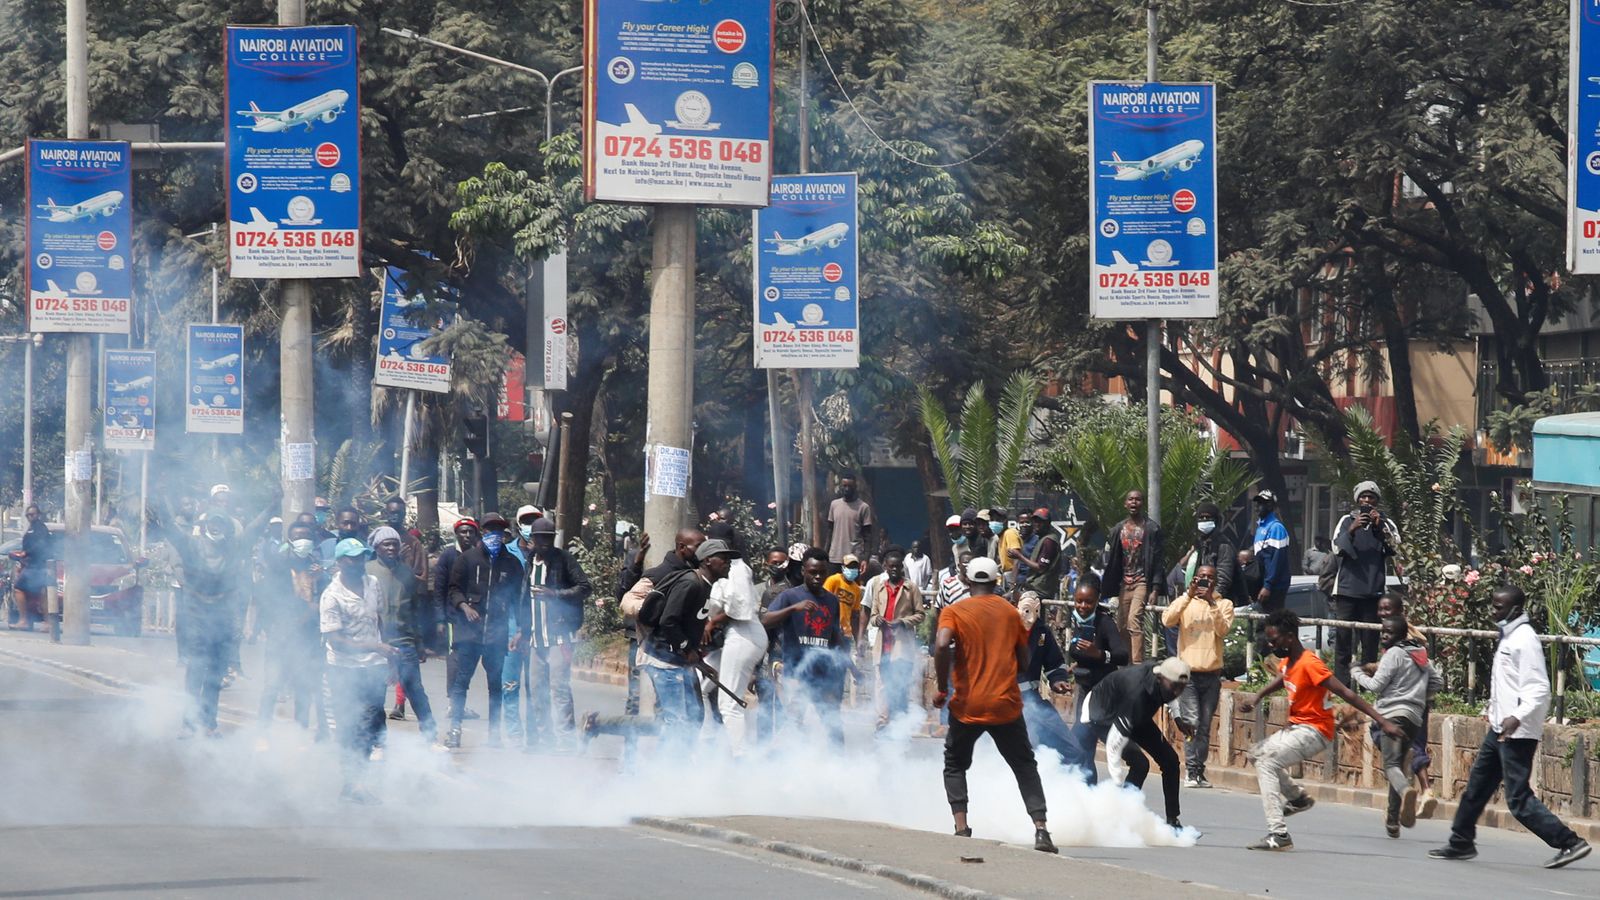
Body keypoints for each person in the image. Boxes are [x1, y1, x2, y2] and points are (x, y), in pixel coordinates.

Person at [1429, 586, 1592, 868]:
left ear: (1516, 609)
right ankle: (1461, 842)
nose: (1494, 612)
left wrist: (1516, 716)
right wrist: (1492, 711)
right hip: (1499, 728)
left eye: (1499, 607)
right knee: (1477, 787)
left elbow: (1539, 689)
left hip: (1517, 732)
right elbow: (1506, 684)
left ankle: (1570, 842)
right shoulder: (1509, 636)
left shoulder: (1524, 640)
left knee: (1517, 799)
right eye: (1493, 606)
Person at [1240, 608, 1403, 851]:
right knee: (1255, 754)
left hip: (1314, 731)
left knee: (1267, 763)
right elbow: (1282, 678)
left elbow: (1346, 693)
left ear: (1290, 637)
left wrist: (1382, 720)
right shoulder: (1290, 662)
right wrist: (1257, 696)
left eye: (1275, 640)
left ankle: (1278, 833)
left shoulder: (1310, 664)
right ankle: (1298, 798)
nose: (1272, 645)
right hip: (1297, 728)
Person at [932, 556, 1058, 854]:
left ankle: (961, 828)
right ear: (995, 581)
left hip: (967, 705)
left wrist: (940, 687)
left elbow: (940, 644)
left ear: (967, 581)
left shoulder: (953, 611)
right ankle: (1041, 830)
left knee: (955, 764)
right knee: (1024, 766)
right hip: (1005, 705)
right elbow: (1024, 661)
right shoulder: (1010, 613)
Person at [583, 539, 735, 758]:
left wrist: (698, 660)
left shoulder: (703, 585)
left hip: (679, 660)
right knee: (676, 721)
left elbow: (685, 626)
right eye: (724, 557)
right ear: (708, 561)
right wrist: (686, 649)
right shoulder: (690, 583)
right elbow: (668, 621)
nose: (728, 563)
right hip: (663, 660)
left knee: (693, 718)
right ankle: (664, 772)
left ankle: (673, 764)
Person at [1068, 657, 1193, 830]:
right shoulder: (1136, 693)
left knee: (1170, 761)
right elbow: (1113, 746)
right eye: (1175, 687)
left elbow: (1172, 692)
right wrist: (1117, 779)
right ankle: (1119, 814)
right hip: (1103, 714)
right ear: (1160, 679)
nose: (1177, 692)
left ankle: (1173, 821)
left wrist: (1178, 718)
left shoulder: (1165, 675)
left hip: (1136, 714)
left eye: (1182, 688)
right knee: (1140, 763)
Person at [1350, 612, 1441, 838]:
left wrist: (1356, 673)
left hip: (1391, 715)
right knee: (1398, 767)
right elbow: (1438, 681)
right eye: (1383, 632)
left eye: (1389, 633)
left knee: (1391, 766)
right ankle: (1392, 821)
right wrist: (1418, 696)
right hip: (1414, 718)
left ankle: (1407, 790)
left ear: (1400, 635)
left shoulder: (1394, 654)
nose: (1384, 636)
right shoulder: (1420, 656)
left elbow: (1376, 686)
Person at [444, 512, 528, 749]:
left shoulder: (511, 564)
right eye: (490, 530)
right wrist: (464, 606)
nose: (495, 535)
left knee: (495, 685)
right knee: (461, 682)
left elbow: (519, 601)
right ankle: (455, 730)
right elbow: (453, 590)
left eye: (499, 531)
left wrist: (522, 628)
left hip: (496, 633)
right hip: (469, 632)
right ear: (482, 532)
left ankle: (494, 735)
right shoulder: (467, 560)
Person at [320, 538, 393, 804]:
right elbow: (335, 641)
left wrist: (388, 658)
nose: (358, 562)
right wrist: (372, 646)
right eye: (352, 558)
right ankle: (352, 781)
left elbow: (380, 620)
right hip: (343, 670)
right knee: (349, 726)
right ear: (340, 562)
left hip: (374, 668)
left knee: (372, 723)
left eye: (362, 557)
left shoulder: (372, 584)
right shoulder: (331, 596)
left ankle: (357, 782)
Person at [520, 517, 592, 748]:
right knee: (536, 691)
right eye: (540, 538)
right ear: (533, 539)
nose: (545, 543)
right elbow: (523, 600)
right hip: (535, 638)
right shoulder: (530, 561)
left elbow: (584, 587)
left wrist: (556, 594)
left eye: (549, 538)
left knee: (559, 689)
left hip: (559, 637)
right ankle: (545, 739)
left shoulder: (564, 560)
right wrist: (522, 631)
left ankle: (566, 740)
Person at [1161, 564, 1234, 789]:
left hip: (1211, 676)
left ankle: (1199, 770)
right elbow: (1167, 619)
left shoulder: (1224, 604)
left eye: (1209, 577)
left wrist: (1211, 602)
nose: (1205, 581)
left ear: (1215, 582)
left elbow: (1223, 630)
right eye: (1201, 577)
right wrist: (1187, 595)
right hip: (1189, 676)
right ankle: (1191, 770)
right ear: (1194, 578)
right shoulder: (1186, 602)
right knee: (1191, 723)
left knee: (1204, 726)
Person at [765, 548, 847, 746]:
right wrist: (794, 608)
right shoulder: (790, 596)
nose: (817, 577)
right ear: (803, 571)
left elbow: (835, 638)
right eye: (813, 572)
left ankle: (840, 768)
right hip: (796, 673)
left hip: (824, 674)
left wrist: (847, 667)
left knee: (832, 725)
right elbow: (765, 620)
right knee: (794, 724)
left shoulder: (832, 600)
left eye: (821, 572)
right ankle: (788, 766)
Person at [367, 526, 439, 747]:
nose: (390, 547)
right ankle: (379, 738)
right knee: (376, 694)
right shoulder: (366, 571)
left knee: (414, 689)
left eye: (394, 544)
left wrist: (419, 643)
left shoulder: (407, 573)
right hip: (378, 643)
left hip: (404, 641)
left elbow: (414, 609)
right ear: (376, 547)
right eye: (385, 544)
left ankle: (430, 734)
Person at [176, 513, 244, 738]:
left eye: (221, 524)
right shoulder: (191, 549)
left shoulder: (232, 552)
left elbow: (253, 531)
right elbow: (170, 529)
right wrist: (162, 503)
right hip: (197, 624)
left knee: (214, 678)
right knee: (195, 674)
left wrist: (273, 505)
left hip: (222, 626)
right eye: (213, 524)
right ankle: (188, 724)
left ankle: (208, 724)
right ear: (205, 527)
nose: (216, 528)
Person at [255, 523, 324, 743]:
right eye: (298, 536)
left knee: (303, 688)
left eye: (306, 536)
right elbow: (265, 602)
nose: (303, 540)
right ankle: (262, 733)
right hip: (281, 637)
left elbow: (322, 602)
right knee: (272, 686)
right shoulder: (279, 568)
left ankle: (300, 733)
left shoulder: (316, 570)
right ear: (290, 541)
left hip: (307, 640)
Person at [702, 528, 766, 756]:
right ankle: (709, 742)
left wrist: (712, 622)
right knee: (701, 686)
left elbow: (741, 608)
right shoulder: (723, 572)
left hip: (744, 636)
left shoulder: (738, 569)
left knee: (729, 703)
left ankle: (741, 757)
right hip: (734, 637)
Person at [1331, 481, 1400, 685]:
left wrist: (1380, 527)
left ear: (1377, 501)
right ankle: (1342, 685)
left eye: (1371, 497)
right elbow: (1336, 548)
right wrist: (1352, 529)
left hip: (1373, 592)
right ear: (1357, 500)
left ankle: (1368, 685)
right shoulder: (1346, 520)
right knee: (1343, 641)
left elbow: (1396, 546)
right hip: (1346, 591)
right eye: (1363, 497)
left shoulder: (1386, 523)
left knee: (1370, 642)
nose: (1367, 501)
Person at [1376, 592, 1437, 817]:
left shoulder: (1406, 638)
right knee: (1407, 749)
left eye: (1388, 610)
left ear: (1400, 612)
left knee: (1405, 748)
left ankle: (1423, 791)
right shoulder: (1393, 634)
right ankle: (1416, 796)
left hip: (1405, 706)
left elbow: (1422, 671)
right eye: (1380, 609)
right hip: (1415, 704)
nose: (1383, 614)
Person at [866, 547, 926, 733]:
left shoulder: (911, 588)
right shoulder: (879, 587)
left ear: (902, 568)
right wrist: (878, 620)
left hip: (902, 645)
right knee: (882, 685)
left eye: (897, 566)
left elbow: (920, 614)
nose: (894, 570)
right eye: (891, 566)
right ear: (885, 567)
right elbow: (873, 614)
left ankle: (900, 721)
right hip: (883, 644)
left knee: (900, 684)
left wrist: (903, 622)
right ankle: (883, 721)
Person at [1101, 490, 1164, 664]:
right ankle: (1126, 661)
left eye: (1137, 499)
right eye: (1131, 499)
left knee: (1134, 620)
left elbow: (1158, 560)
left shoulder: (1151, 529)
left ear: (1142, 503)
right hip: (1124, 582)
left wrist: (1155, 589)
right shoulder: (1118, 529)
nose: (1134, 502)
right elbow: (1112, 558)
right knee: (1121, 624)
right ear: (1125, 503)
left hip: (1142, 581)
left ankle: (1137, 664)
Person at [1014, 591, 1075, 762]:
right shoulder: (1003, 630)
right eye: (1027, 611)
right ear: (1016, 607)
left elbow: (1054, 662)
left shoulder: (1042, 632)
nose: (1032, 618)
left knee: (1070, 749)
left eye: (1037, 611)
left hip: (1033, 701)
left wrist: (1058, 680)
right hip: (1006, 702)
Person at [432, 517, 480, 722]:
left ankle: (460, 700)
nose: (467, 535)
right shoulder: (448, 556)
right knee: (455, 658)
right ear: (456, 534)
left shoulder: (479, 556)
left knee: (469, 660)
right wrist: (440, 619)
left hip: (474, 618)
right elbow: (440, 588)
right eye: (463, 532)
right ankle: (453, 702)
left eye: (471, 532)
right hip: (453, 617)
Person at [1065, 576, 1129, 720]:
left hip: (1103, 689)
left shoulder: (1105, 623)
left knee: (1100, 731)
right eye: (1078, 601)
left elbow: (1123, 656)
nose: (1082, 606)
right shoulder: (1079, 622)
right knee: (1081, 734)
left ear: (1097, 600)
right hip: (1083, 687)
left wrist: (1099, 654)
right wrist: (1073, 666)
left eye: (1088, 602)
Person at [1250, 489, 1291, 656]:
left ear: (1272, 505)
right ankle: (1261, 665)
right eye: (1258, 502)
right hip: (1263, 586)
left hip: (1274, 587)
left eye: (1264, 503)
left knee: (1271, 627)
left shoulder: (1276, 528)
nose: (1259, 506)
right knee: (1262, 626)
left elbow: (1277, 560)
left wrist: (1268, 585)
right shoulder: (1261, 527)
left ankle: (1270, 665)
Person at [12, 504, 53, 630]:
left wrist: (26, 553)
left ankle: (24, 620)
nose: (30, 517)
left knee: (19, 588)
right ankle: (47, 623)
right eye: (28, 515)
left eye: (32, 514)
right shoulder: (32, 528)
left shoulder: (40, 528)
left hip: (37, 565)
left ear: (38, 514)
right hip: (33, 565)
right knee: (42, 593)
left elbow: (40, 545)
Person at [1009, 508, 1062, 600]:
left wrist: (1019, 556)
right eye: (1035, 521)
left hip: (1041, 589)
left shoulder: (1049, 540)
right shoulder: (1041, 538)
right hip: (1034, 585)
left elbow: (1040, 568)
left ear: (1048, 523)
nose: (1037, 524)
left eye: (1041, 522)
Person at [826, 475, 874, 575]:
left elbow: (868, 536)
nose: (847, 489)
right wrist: (825, 553)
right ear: (840, 486)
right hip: (835, 557)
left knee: (851, 589)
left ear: (855, 487)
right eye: (844, 486)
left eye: (850, 486)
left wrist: (866, 558)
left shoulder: (863, 507)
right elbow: (830, 532)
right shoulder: (834, 505)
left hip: (853, 558)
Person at [823, 554, 865, 653]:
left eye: (855, 567)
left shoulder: (856, 589)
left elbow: (854, 616)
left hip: (846, 634)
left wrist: (858, 639)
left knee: (842, 665)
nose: (852, 570)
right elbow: (823, 603)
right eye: (850, 567)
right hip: (829, 631)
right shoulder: (833, 580)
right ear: (843, 567)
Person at [382, 497, 429, 580]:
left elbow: (422, 576)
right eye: (393, 513)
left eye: (399, 513)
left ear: (404, 514)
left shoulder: (414, 543)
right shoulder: (377, 540)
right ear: (385, 514)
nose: (396, 516)